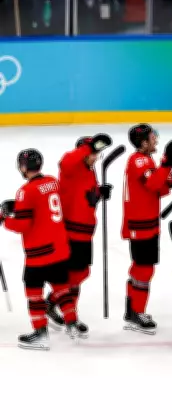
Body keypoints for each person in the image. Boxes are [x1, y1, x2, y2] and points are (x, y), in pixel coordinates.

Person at [1, 149, 79, 349]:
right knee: (62, 288)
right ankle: (72, 325)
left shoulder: (25, 191)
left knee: (33, 292)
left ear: (23, 167)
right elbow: (43, 206)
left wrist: (4, 219)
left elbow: (22, 225)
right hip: (60, 249)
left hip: (39, 253)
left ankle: (40, 333)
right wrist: (18, 208)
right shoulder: (53, 182)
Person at [47, 134, 114, 337]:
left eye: (97, 154)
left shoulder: (89, 171)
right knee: (74, 275)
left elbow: (83, 197)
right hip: (72, 232)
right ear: (82, 153)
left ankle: (54, 304)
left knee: (81, 274)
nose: (95, 157)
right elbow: (65, 161)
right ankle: (68, 315)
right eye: (93, 154)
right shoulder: (71, 169)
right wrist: (88, 147)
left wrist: (99, 194)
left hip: (85, 232)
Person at [121, 124, 172, 334]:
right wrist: (166, 162)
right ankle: (136, 313)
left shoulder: (145, 161)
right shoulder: (139, 160)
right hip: (141, 226)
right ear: (143, 142)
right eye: (152, 137)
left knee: (141, 268)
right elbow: (154, 184)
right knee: (143, 269)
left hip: (147, 224)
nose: (156, 140)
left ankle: (132, 311)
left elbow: (160, 188)